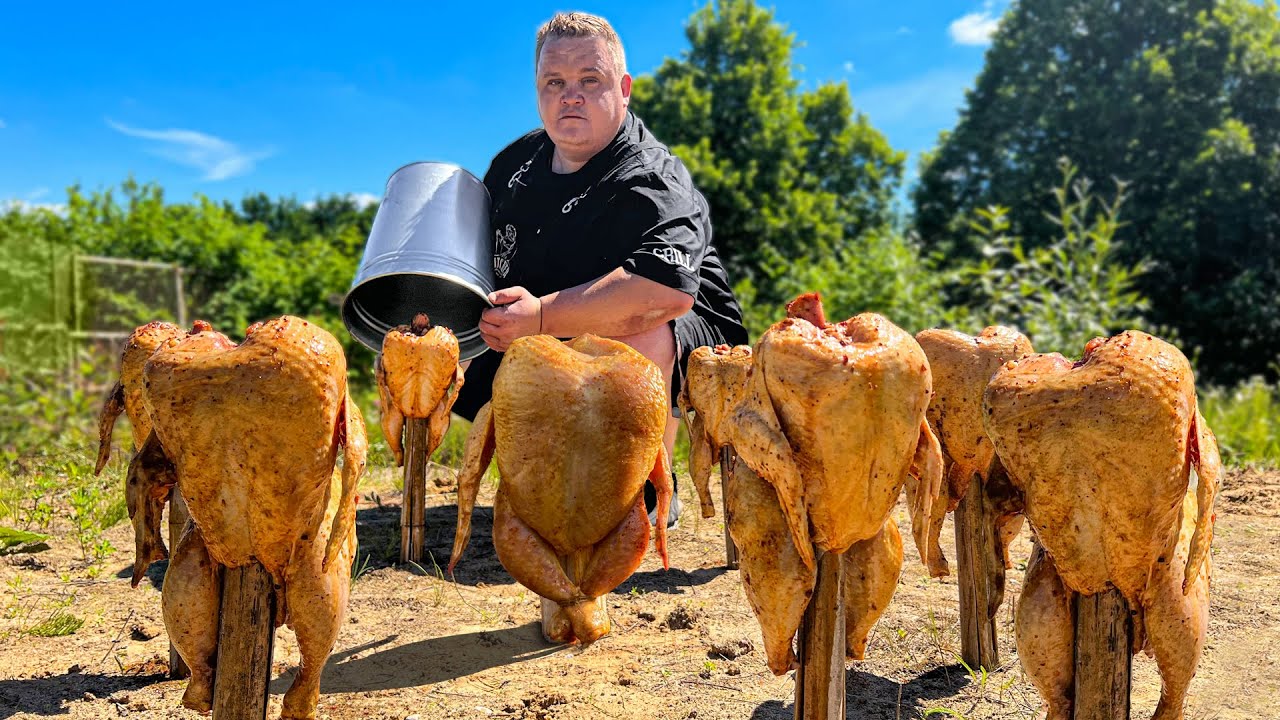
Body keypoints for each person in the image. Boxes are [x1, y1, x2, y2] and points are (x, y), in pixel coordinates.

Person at [452, 11, 748, 529]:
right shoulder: (513, 164)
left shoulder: (652, 175)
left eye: (591, 80)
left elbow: (663, 291)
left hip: (683, 329)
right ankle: (547, 487)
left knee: (644, 326)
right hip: (543, 320)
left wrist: (542, 315)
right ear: (538, 90)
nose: (572, 96)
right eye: (555, 83)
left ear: (624, 87)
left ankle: (647, 496)